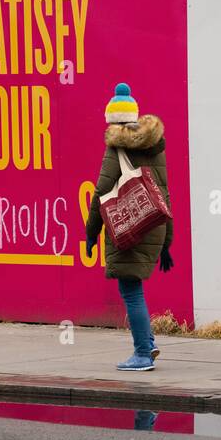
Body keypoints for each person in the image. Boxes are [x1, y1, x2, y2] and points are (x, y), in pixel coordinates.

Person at [84, 83, 173, 372]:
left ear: (111, 121)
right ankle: (148, 341)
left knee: (131, 290)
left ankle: (143, 353)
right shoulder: (155, 145)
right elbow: (164, 193)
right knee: (135, 288)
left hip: (130, 224)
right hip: (153, 224)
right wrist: (167, 242)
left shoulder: (115, 148)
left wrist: (90, 233)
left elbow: (101, 193)